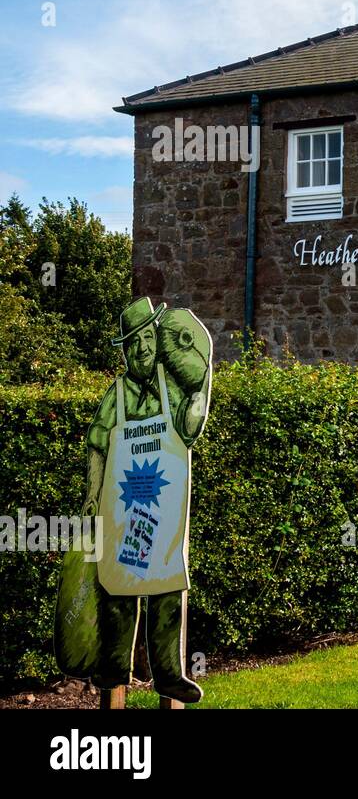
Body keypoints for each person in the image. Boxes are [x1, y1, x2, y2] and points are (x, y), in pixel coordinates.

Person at [62, 296, 211, 704]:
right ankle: (112, 671)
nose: (141, 348)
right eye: (133, 343)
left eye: (146, 338)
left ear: (155, 339)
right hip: (123, 510)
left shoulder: (173, 386)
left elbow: (191, 427)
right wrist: (92, 495)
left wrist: (204, 384)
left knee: (166, 591)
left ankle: (168, 676)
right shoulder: (118, 393)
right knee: (117, 591)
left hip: (163, 512)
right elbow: (96, 442)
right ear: (125, 350)